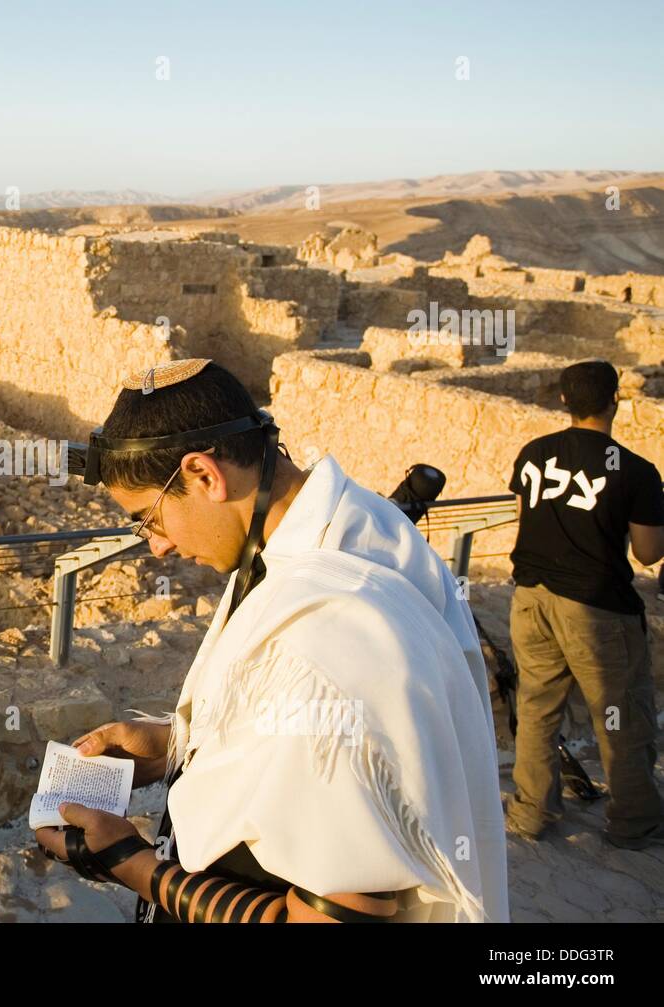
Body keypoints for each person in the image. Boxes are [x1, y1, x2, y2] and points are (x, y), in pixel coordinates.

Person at [35, 358, 508, 922]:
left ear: (204, 474)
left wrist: (130, 860)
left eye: (149, 519)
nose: (155, 546)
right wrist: (173, 745)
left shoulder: (330, 634)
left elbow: (334, 918)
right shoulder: (326, 532)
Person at [505, 359, 664, 849]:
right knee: (619, 715)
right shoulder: (635, 471)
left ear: (563, 401)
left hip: (531, 599)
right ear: (616, 400)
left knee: (537, 708)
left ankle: (532, 812)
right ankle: (635, 822)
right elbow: (648, 553)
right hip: (596, 609)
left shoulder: (534, 453)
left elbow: (523, 516)